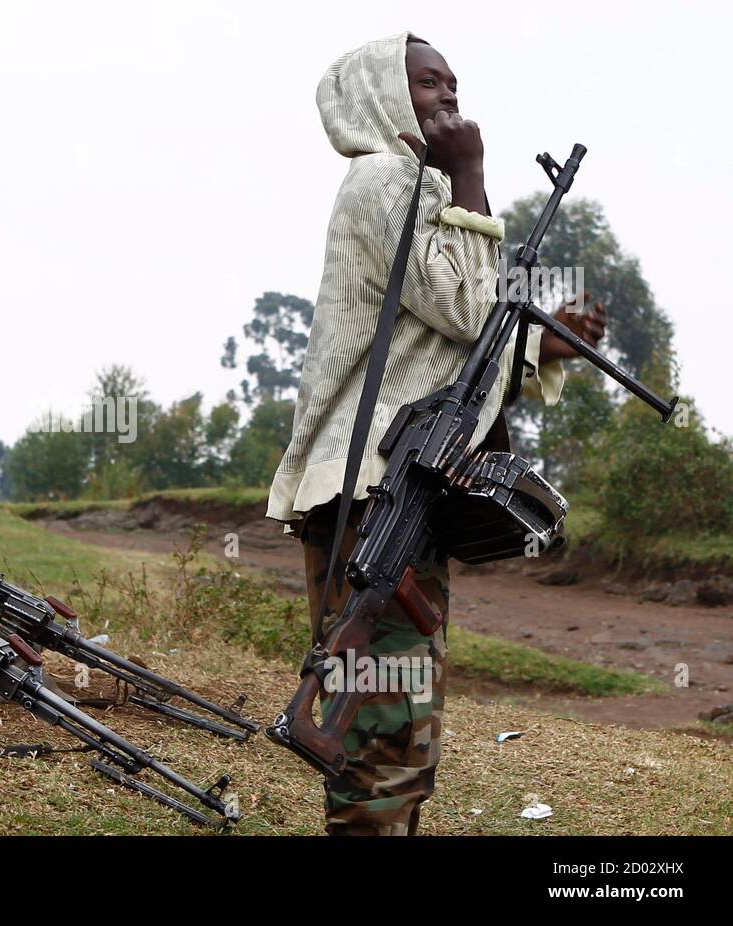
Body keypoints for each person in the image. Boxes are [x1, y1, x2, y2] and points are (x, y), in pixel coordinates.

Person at [266, 33, 607, 835]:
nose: (447, 96)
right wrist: (474, 177)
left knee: (403, 720)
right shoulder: (384, 179)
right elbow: (461, 301)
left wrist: (541, 342)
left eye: (453, 82)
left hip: (402, 480)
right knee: (384, 728)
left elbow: (458, 335)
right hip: (370, 484)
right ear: (384, 96)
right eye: (426, 83)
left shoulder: (420, 188)